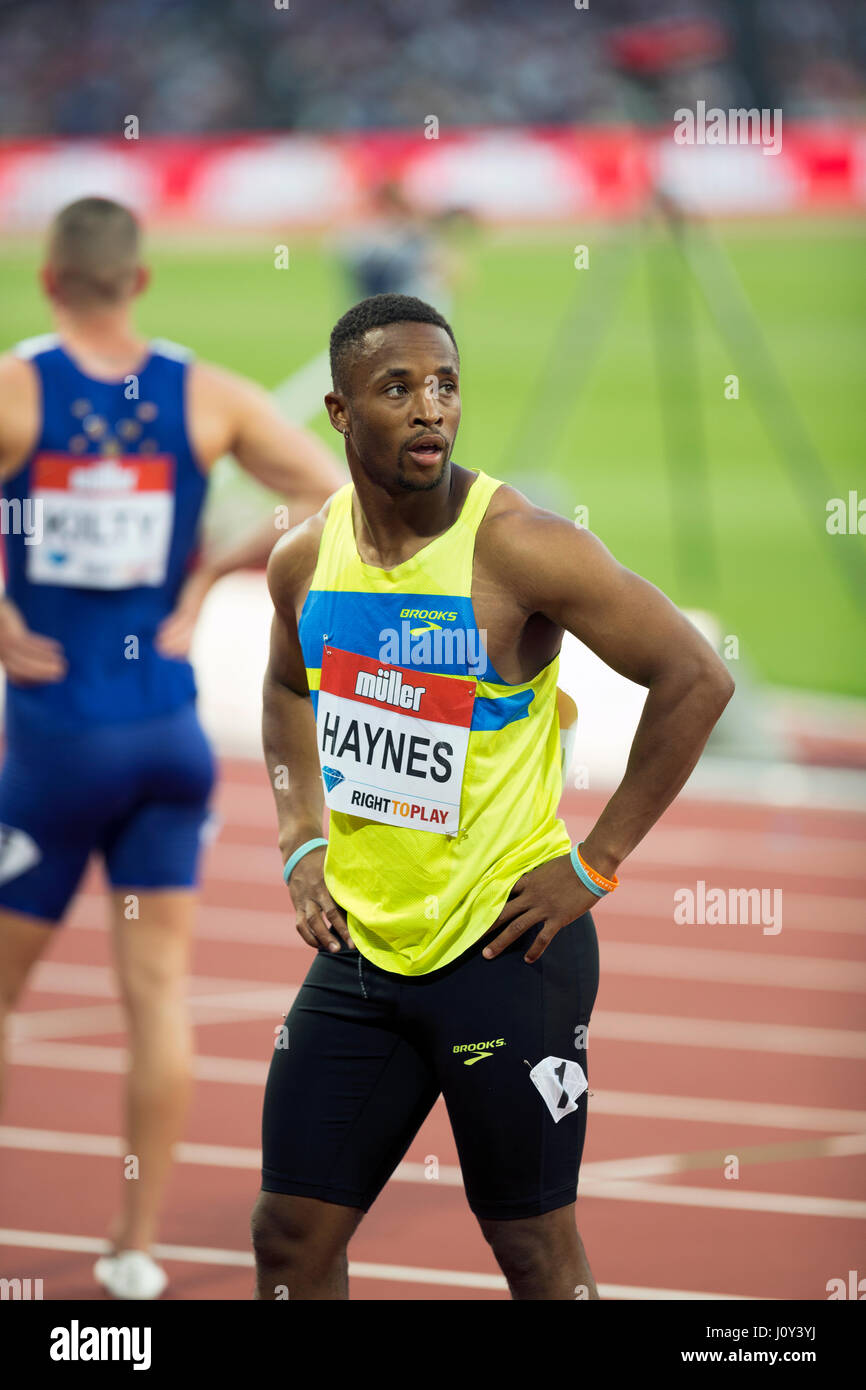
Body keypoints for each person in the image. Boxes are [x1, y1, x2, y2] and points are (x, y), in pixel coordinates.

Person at [252, 292, 734, 1301]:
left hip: (507, 951)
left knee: (531, 1255)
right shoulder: (305, 560)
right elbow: (287, 688)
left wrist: (592, 862)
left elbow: (695, 676)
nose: (429, 409)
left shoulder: (517, 548)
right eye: (397, 389)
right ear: (339, 413)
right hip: (363, 955)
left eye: (444, 385)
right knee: (289, 1239)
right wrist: (300, 839)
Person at [0, 196, 345, 1300]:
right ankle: (136, 1244)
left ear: (50, 279)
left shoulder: (17, 390)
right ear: (139, 281)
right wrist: (210, 576)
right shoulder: (206, 395)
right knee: (159, 996)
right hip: (166, 738)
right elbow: (329, 496)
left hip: (53, 749)